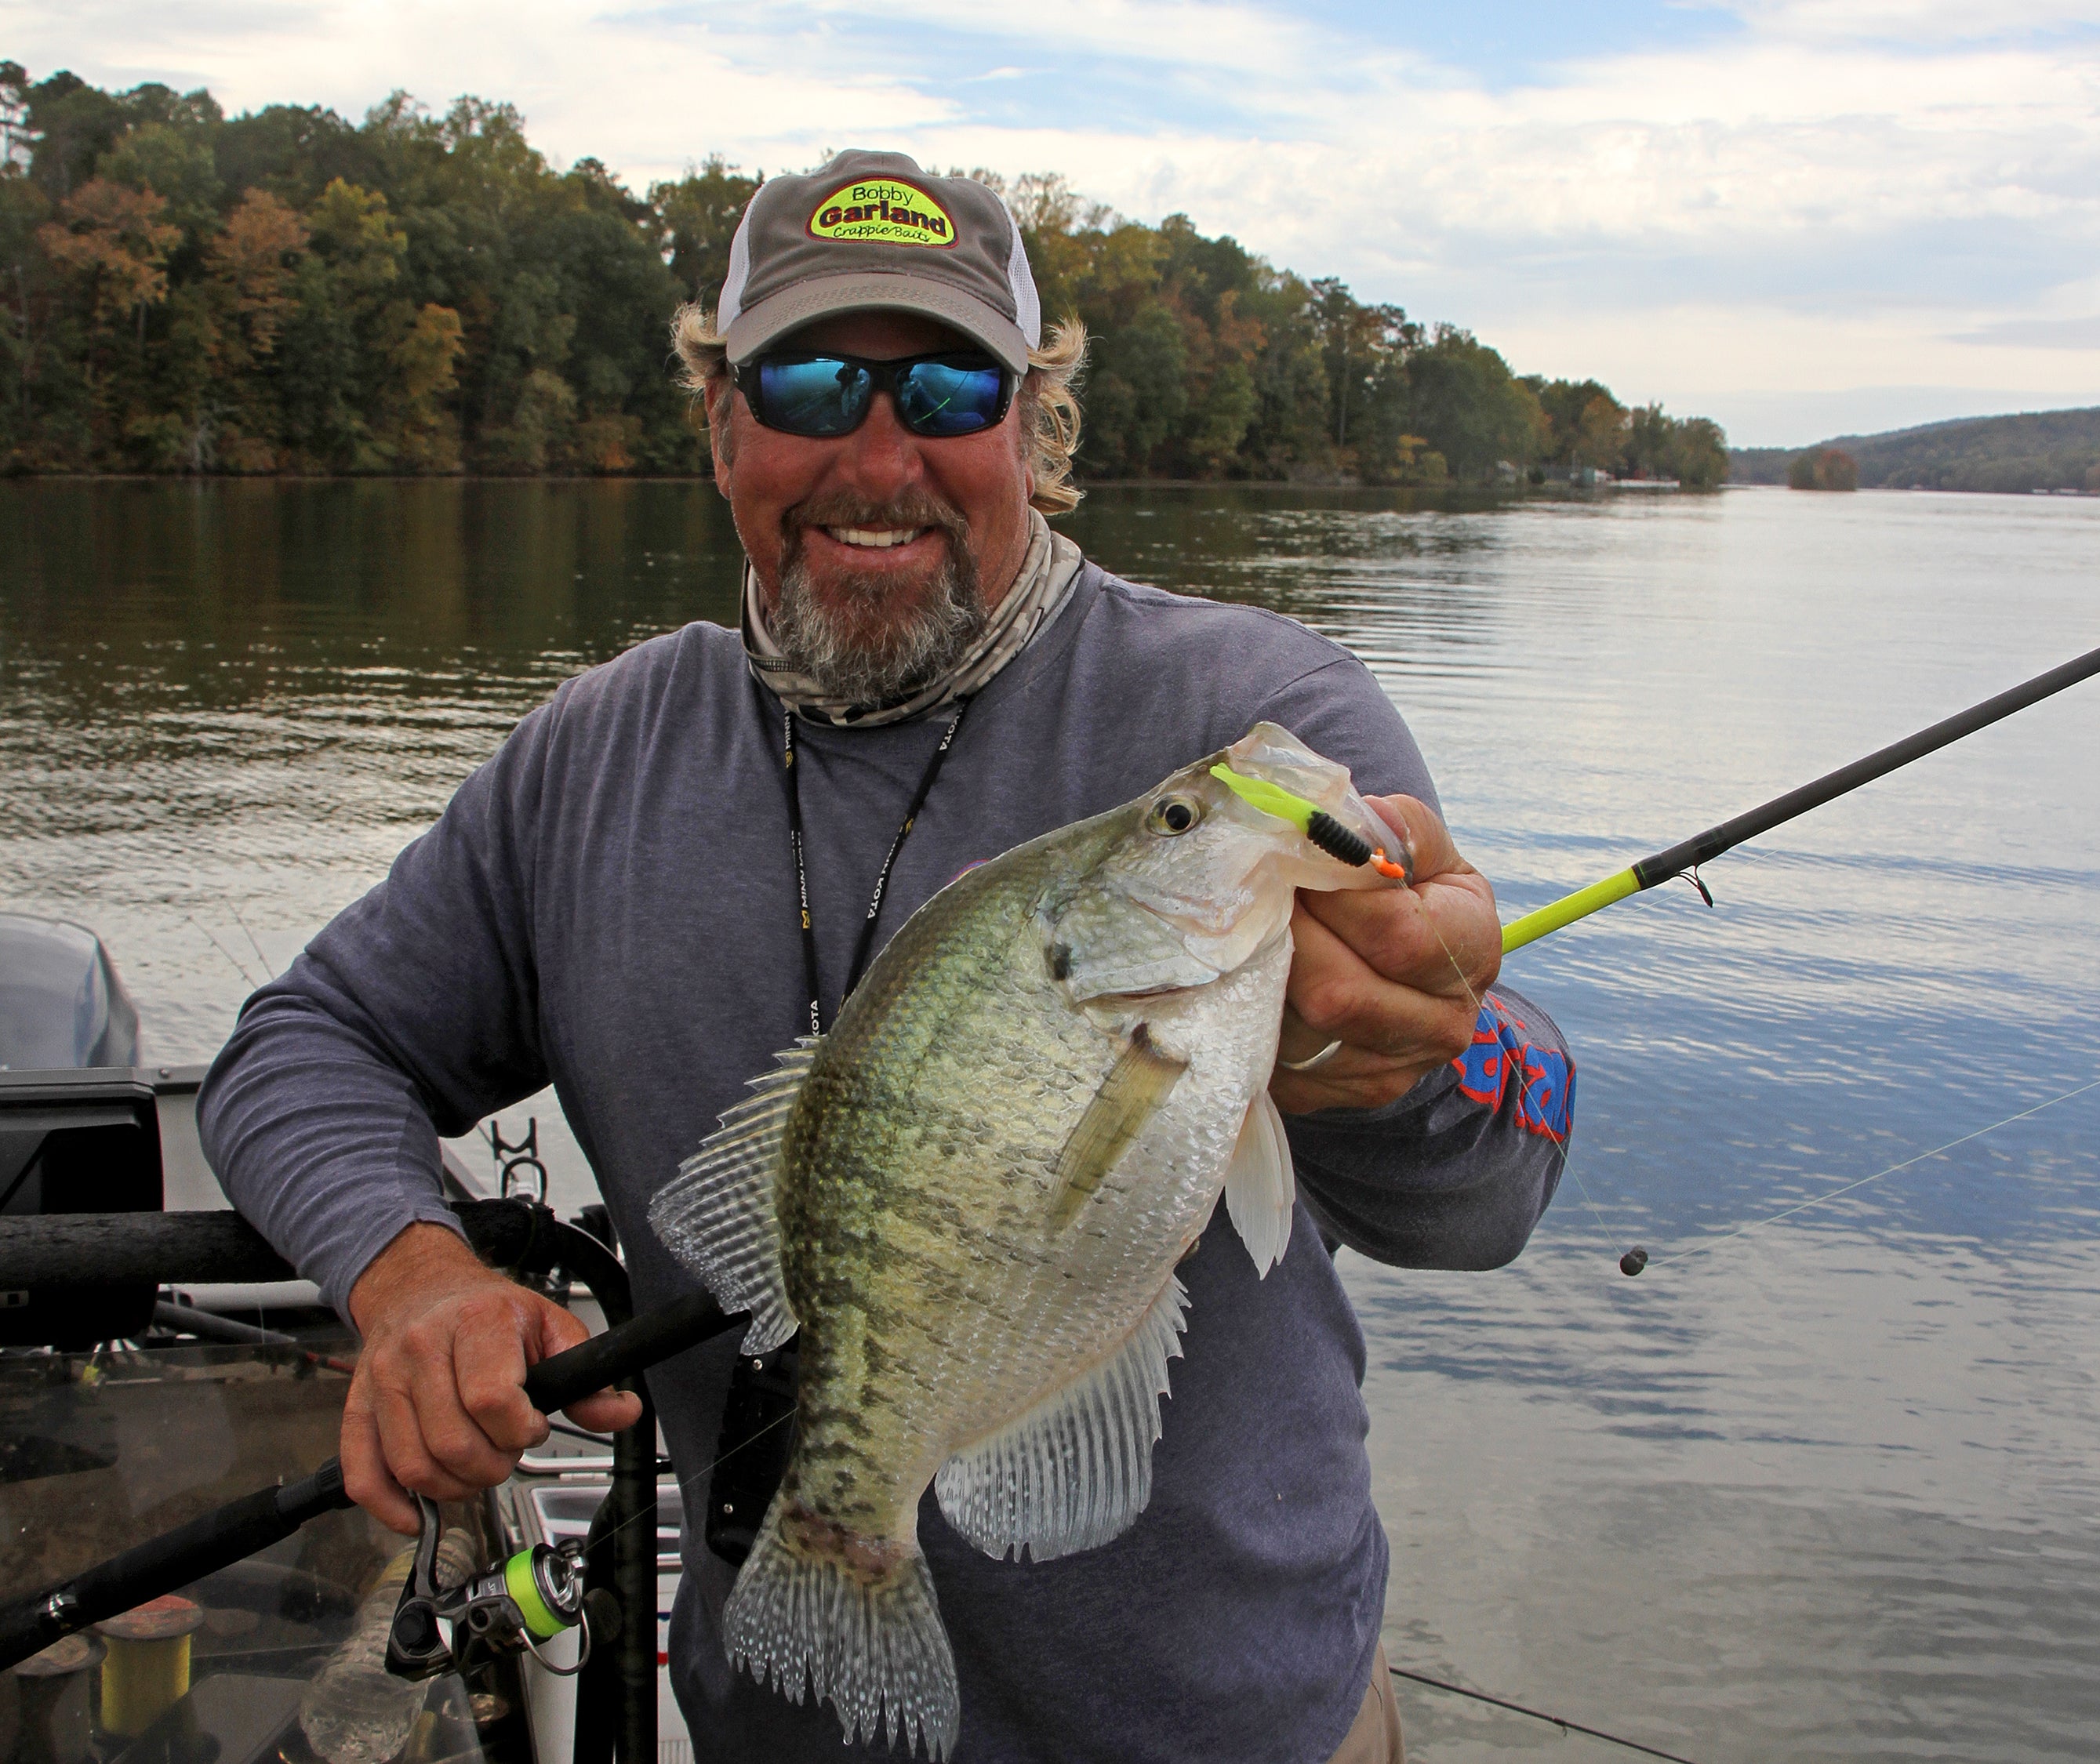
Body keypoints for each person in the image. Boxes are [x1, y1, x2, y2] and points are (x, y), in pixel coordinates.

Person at [198, 150, 1575, 1764]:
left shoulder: (1252, 736)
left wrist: (1399, 1068)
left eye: (943, 387)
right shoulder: (596, 762)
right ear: (719, 422)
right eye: (805, 382)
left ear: (1033, 429)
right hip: (770, 1725)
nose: (876, 455)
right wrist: (410, 1271)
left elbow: (1489, 1192)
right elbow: (302, 1042)